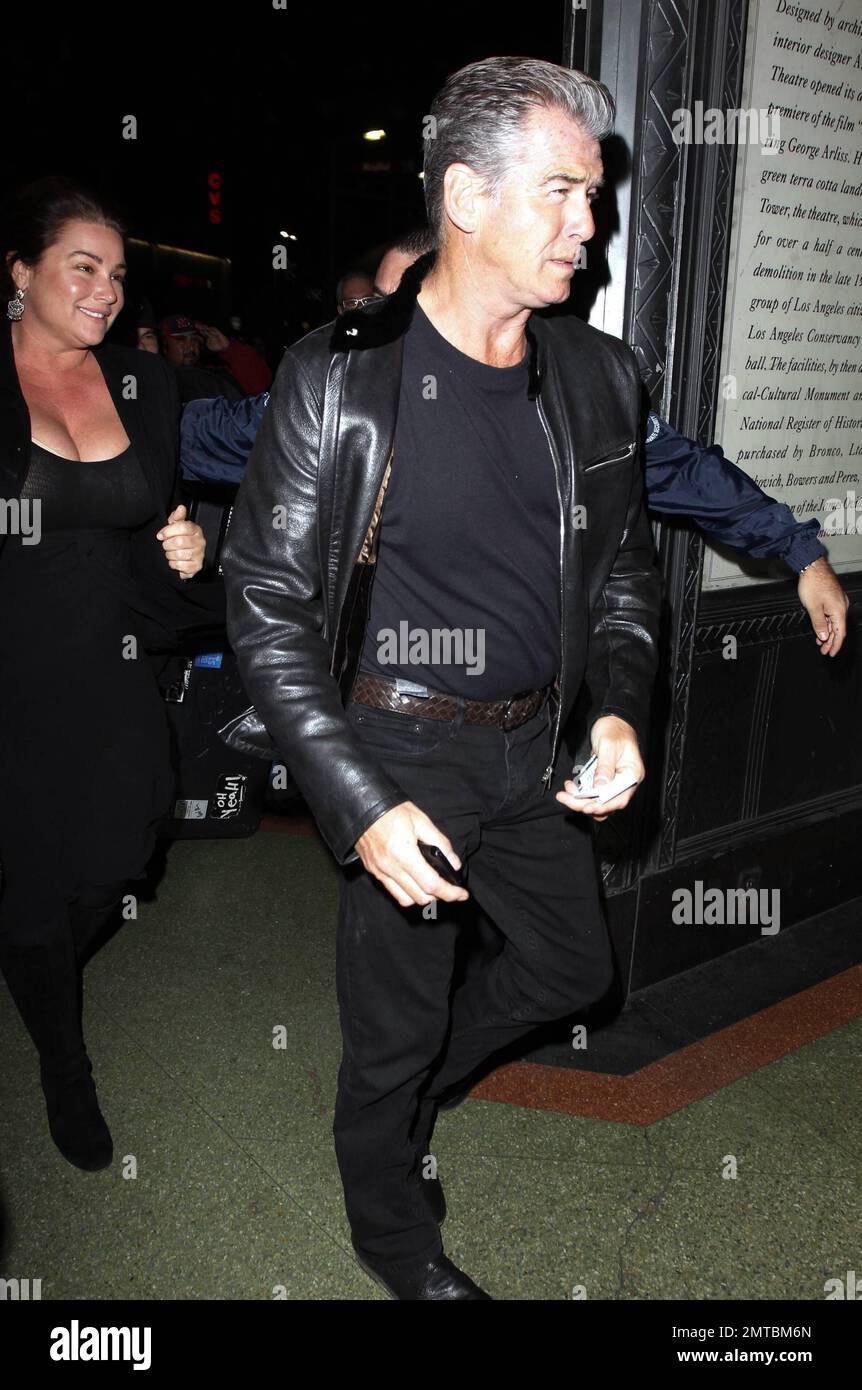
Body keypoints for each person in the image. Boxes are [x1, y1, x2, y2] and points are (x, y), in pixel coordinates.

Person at [222, 56, 662, 1299]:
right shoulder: (340, 374)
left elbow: (624, 572)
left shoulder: (596, 378)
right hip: (394, 747)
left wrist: (620, 704)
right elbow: (261, 602)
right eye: (566, 191)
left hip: (535, 750)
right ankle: (393, 1229)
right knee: (389, 1031)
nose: (593, 221)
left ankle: (413, 1086)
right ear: (467, 198)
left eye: (595, 190)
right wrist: (356, 805)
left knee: (576, 969)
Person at [0, 177, 221, 1173]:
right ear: (20, 273)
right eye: (81, 267)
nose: (105, 290)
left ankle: (29, 958)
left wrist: (185, 544)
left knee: (127, 850)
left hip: (114, 666)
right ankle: (64, 1064)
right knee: (37, 878)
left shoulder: (145, 382)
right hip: (13, 679)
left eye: (118, 274)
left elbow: (153, 521)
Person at [375, 231, 849, 655]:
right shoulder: (350, 403)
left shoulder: (571, 389)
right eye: (379, 304)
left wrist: (803, 555)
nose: (391, 323)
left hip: (532, 710)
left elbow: (685, 471)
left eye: (406, 303)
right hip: (388, 703)